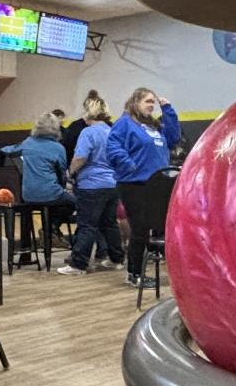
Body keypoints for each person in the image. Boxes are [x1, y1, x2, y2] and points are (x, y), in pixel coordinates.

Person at [108, 87, 182, 286]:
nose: (151, 105)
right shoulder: (125, 123)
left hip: (157, 185)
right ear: (136, 102)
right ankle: (134, 274)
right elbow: (113, 147)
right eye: (147, 101)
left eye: (153, 102)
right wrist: (129, 165)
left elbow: (173, 138)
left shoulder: (153, 126)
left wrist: (167, 110)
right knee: (140, 229)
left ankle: (149, 269)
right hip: (134, 183)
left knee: (158, 228)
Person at [57, 92, 124, 275]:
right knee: (109, 223)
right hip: (112, 184)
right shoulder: (113, 132)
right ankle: (116, 259)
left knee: (87, 224)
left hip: (91, 185)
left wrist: (70, 172)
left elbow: (80, 157)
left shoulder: (88, 132)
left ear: (88, 112)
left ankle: (78, 264)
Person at [2, 112, 75, 259]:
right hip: (51, 193)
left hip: (28, 195)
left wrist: (4, 154)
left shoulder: (28, 142)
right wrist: (63, 187)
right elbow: (62, 174)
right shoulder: (58, 147)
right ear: (56, 129)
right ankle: (52, 227)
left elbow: (7, 150)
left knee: (56, 201)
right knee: (76, 203)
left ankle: (49, 230)